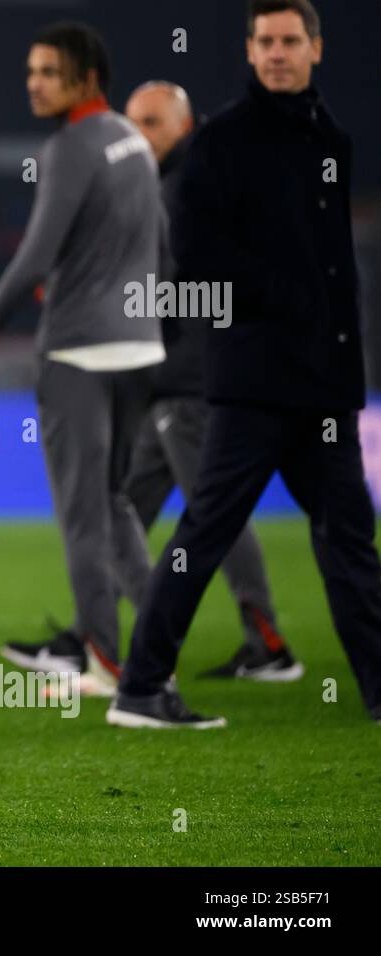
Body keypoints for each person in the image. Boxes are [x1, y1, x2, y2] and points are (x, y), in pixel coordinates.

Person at [109, 0, 381, 728]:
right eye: (264, 41)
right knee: (204, 535)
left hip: (323, 390)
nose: (277, 53)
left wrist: (344, 366)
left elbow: (334, 273)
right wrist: (284, 302)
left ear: (315, 49)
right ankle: (140, 686)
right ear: (251, 50)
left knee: (350, 540)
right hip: (254, 385)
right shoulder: (221, 142)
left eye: (290, 40)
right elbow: (198, 257)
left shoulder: (331, 136)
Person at [42, 81, 300, 681]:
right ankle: (95, 632)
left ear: (185, 128)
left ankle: (265, 639)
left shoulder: (192, 191)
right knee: (123, 504)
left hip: (192, 384)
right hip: (165, 383)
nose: (137, 133)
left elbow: (214, 296)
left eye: (152, 122)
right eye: (131, 121)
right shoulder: (160, 186)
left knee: (210, 512)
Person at [0, 22, 161, 696]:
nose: (34, 83)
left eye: (48, 71)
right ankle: (154, 654)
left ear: (87, 78)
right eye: (31, 70)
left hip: (80, 351)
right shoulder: (133, 139)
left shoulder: (69, 147)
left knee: (82, 515)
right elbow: (137, 240)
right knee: (116, 503)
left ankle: (106, 663)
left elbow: (34, 258)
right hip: (140, 345)